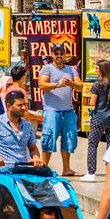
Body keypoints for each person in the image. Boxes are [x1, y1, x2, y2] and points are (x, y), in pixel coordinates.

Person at [38, 45, 81, 176]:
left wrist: (71, 84)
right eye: (56, 53)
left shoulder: (71, 70)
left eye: (61, 53)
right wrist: (58, 84)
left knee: (69, 139)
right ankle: (44, 168)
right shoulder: (47, 69)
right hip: (52, 110)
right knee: (49, 138)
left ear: (64, 55)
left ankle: (66, 169)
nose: (58, 56)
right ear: (52, 55)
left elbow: (80, 87)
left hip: (68, 110)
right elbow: (42, 85)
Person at [82, 58, 110, 182]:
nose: (95, 70)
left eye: (97, 68)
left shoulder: (98, 85)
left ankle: (91, 173)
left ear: (102, 70)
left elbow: (93, 102)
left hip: (98, 119)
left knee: (92, 144)